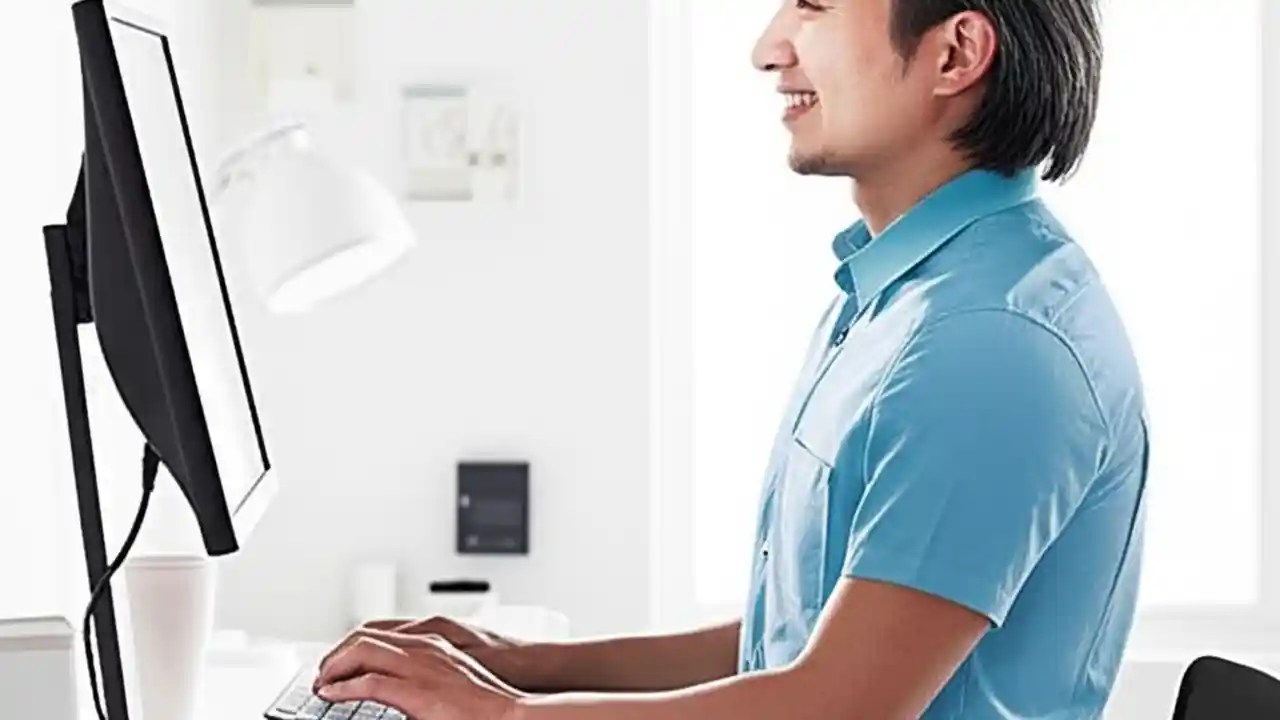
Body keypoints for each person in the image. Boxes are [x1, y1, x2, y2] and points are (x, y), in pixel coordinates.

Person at [313, 0, 1148, 717]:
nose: (769, 47)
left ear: (955, 53)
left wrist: (500, 714)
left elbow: (837, 705)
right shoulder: (901, 294)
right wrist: (518, 664)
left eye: (814, 4)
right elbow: (798, 641)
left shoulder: (989, 340)